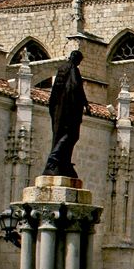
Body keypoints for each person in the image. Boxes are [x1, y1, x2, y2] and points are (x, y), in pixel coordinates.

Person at [41, 50, 88, 180]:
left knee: (64, 135)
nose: (79, 63)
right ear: (76, 59)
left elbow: (72, 89)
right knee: (71, 135)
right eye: (79, 60)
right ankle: (54, 159)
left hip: (62, 108)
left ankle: (63, 163)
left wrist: (85, 103)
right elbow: (74, 88)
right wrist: (82, 104)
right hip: (68, 109)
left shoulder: (66, 69)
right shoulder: (70, 69)